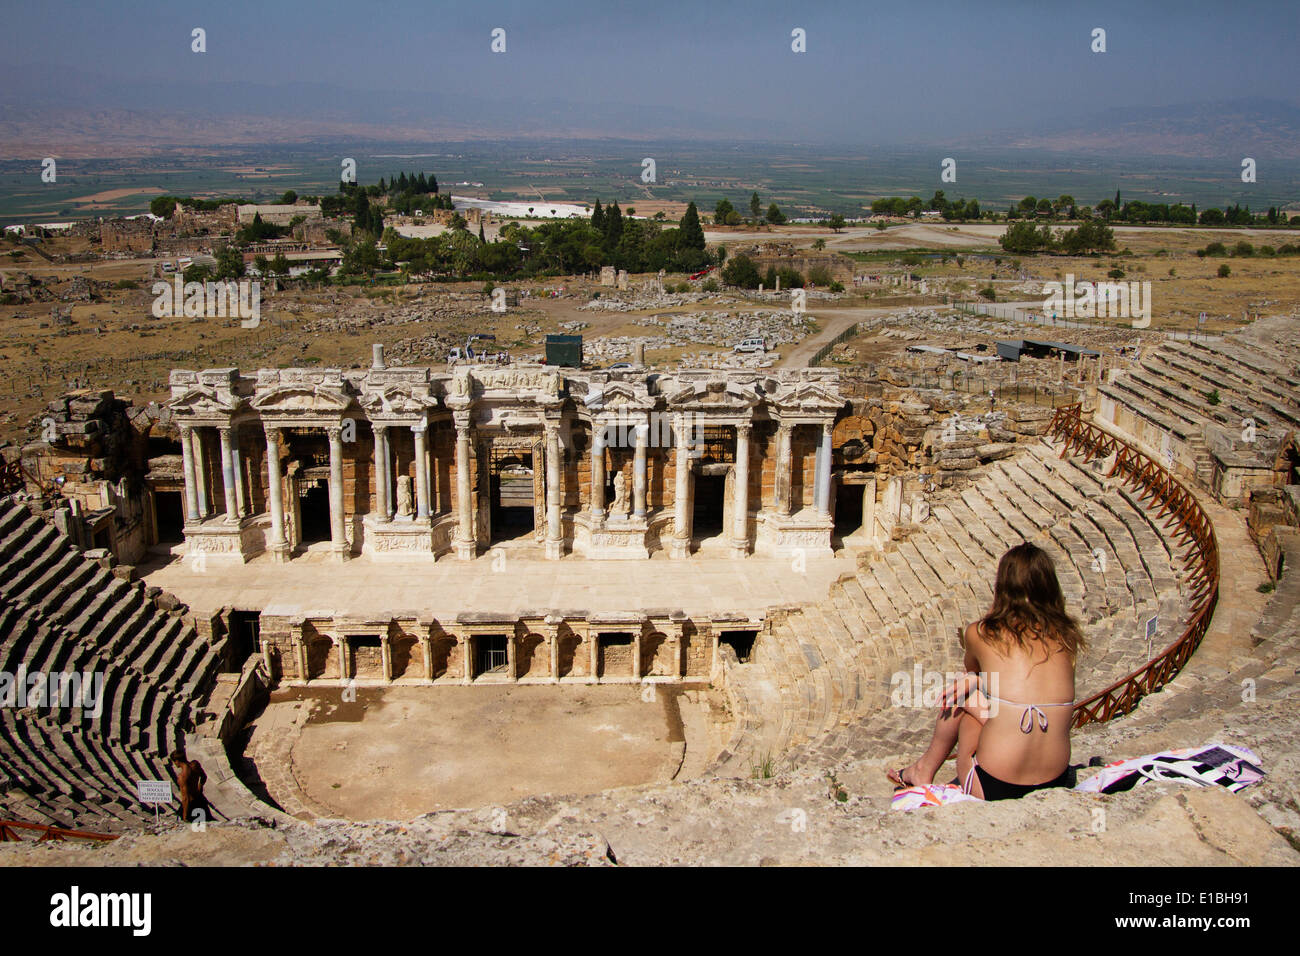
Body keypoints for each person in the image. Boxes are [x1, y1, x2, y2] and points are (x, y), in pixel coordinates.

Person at [887, 543, 1084, 800]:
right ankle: (921, 769)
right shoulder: (1068, 637)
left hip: (993, 785)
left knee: (962, 696)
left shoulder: (982, 633)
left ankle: (923, 770)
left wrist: (974, 681)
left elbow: (973, 671)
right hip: (1056, 779)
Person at [170, 748, 208, 823]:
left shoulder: (182, 777)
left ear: (177, 761)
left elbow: (185, 798)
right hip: (200, 800)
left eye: (174, 762)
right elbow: (204, 777)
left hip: (191, 805)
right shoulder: (195, 765)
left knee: (193, 829)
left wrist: (185, 817)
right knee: (202, 828)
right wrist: (200, 788)